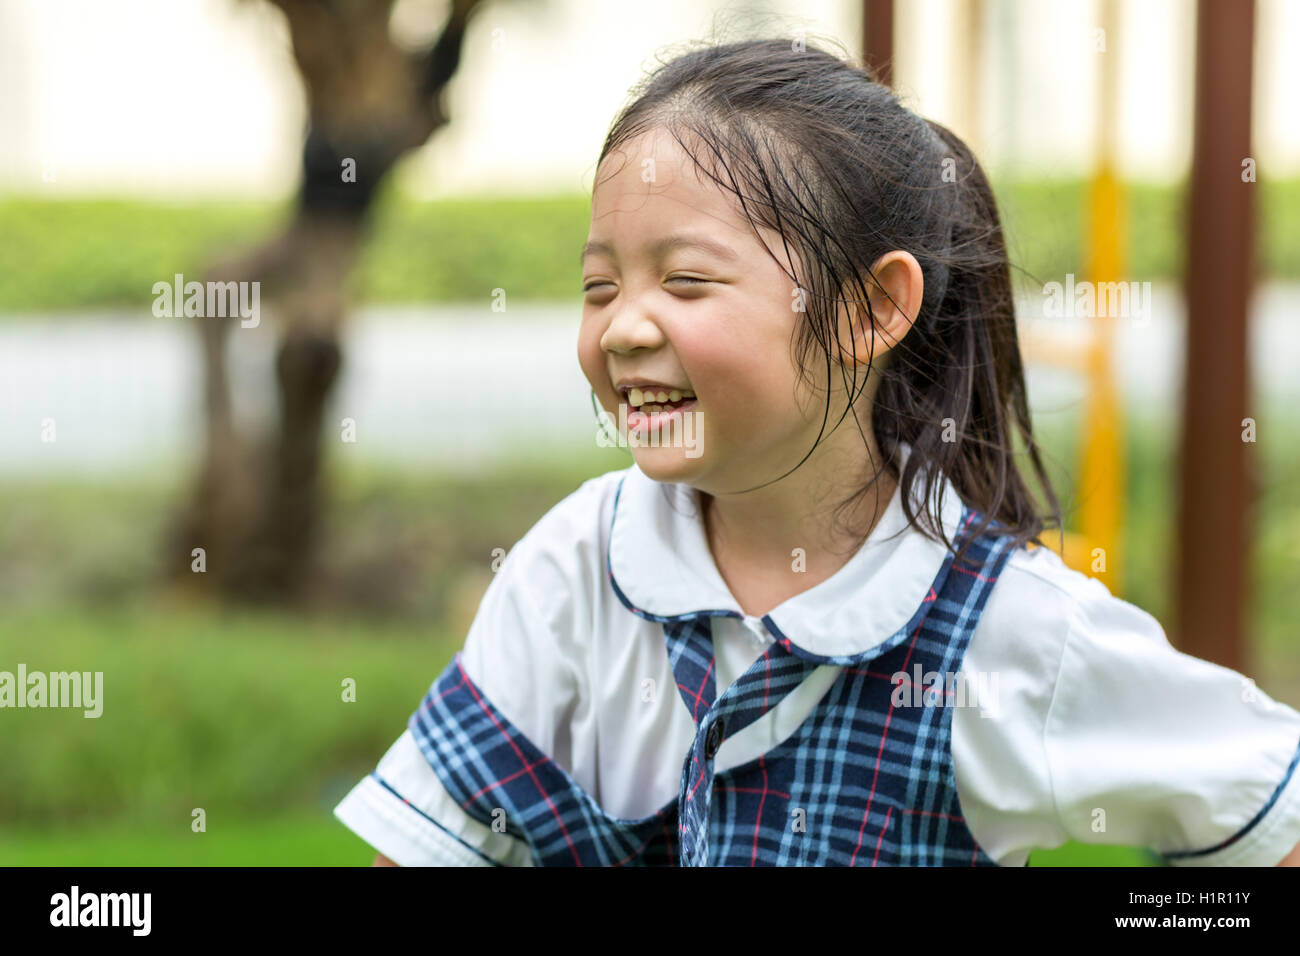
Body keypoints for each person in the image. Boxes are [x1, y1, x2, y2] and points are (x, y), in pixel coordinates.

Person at [333, 37, 1300, 867]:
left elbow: (1266, 805)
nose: (623, 327)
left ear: (871, 308)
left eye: (686, 280)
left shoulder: (1015, 634)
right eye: (599, 287)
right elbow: (428, 842)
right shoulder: (577, 566)